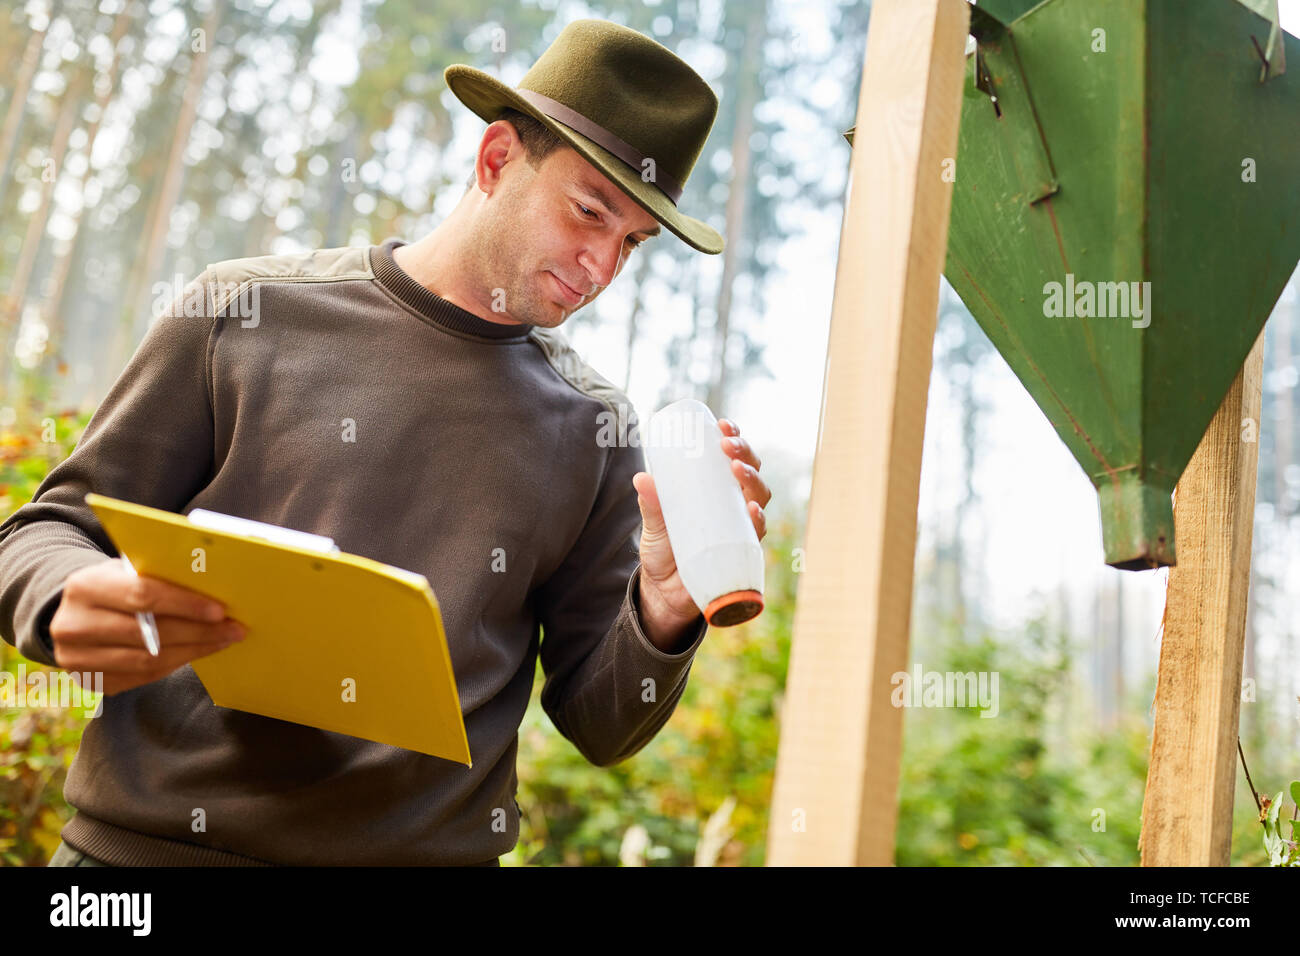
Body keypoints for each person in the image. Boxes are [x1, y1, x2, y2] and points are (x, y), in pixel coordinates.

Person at [0, 17, 771, 866]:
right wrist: (64, 593)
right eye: (588, 212)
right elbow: (44, 530)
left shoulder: (594, 427)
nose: (601, 267)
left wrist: (662, 607)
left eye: (630, 242)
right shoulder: (242, 312)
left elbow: (599, 723)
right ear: (495, 159)